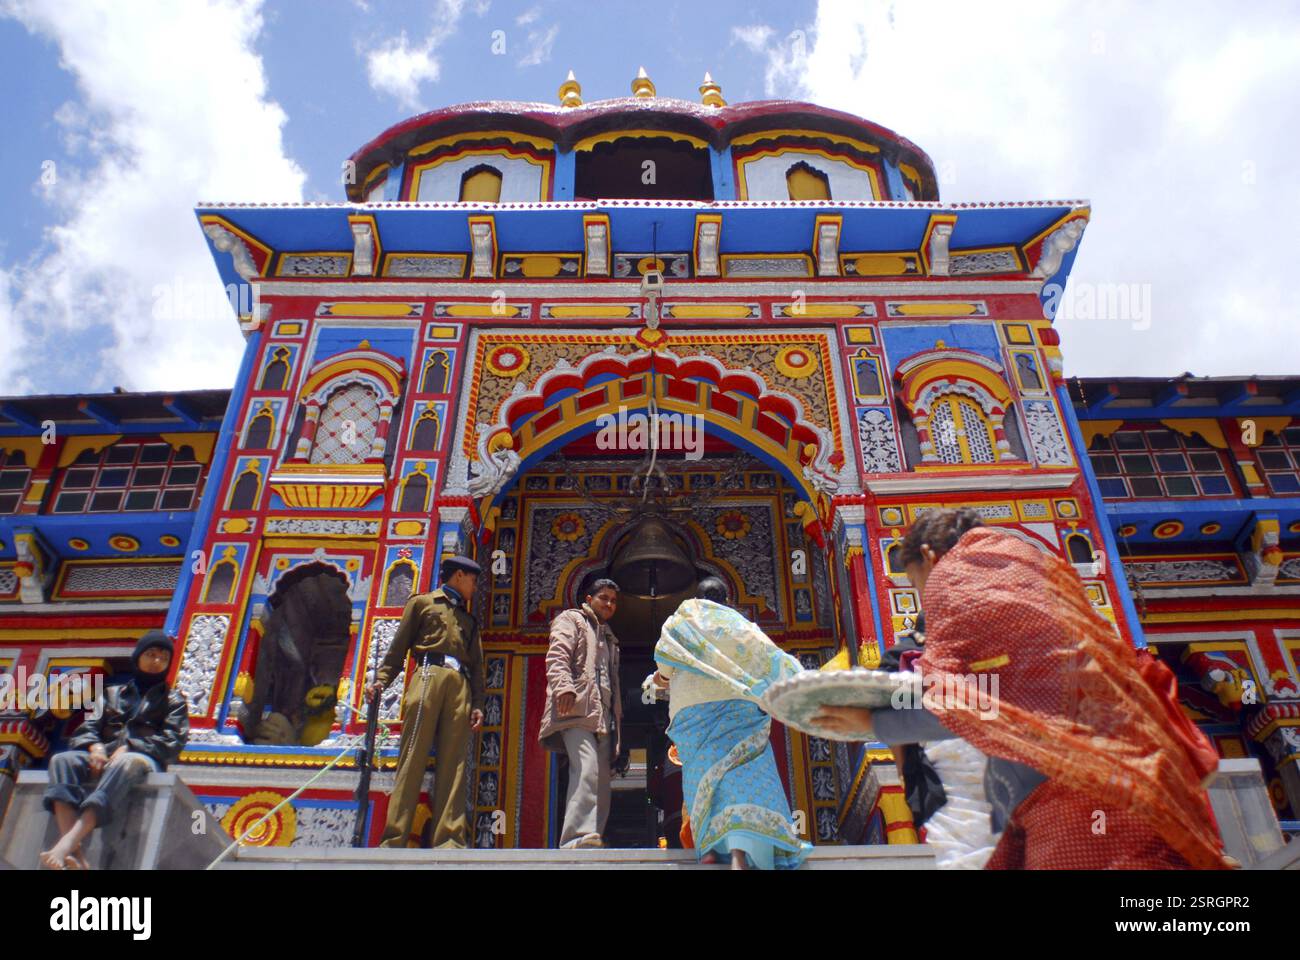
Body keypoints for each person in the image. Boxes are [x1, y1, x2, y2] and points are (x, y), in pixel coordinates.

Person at [813, 508, 1231, 869]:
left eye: (917, 582)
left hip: (1075, 796)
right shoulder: (1036, 573)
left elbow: (977, 701)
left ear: (928, 556)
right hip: (1143, 775)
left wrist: (871, 720)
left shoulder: (957, 584)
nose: (924, 597)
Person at [653, 577, 812, 870]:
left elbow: (663, 668)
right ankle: (746, 849)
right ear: (726, 600)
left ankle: (714, 849)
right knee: (745, 774)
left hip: (692, 715)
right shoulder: (741, 627)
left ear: (697, 597)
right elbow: (770, 660)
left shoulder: (679, 623)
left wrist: (659, 680)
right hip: (739, 710)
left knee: (705, 779)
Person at [40, 629, 189, 870]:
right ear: (138, 656)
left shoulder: (173, 701)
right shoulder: (111, 694)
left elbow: (173, 741)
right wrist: (96, 746)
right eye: (151, 654)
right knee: (62, 760)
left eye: (163, 658)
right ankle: (76, 854)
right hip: (102, 755)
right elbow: (87, 727)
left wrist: (131, 746)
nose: (156, 662)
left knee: (126, 761)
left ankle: (68, 841)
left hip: (144, 760)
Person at [369, 554, 485, 849]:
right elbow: (399, 647)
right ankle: (395, 837)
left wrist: (478, 703)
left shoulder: (468, 619)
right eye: (473, 579)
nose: (474, 587)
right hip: (427, 675)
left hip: (459, 683)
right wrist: (382, 680)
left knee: (455, 762)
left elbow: (477, 667)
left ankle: (449, 838)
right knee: (413, 756)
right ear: (458, 575)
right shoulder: (422, 603)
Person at [538, 578, 622, 849]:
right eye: (604, 598)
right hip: (575, 707)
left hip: (602, 714)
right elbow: (557, 655)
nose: (609, 604)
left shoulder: (609, 637)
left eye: (613, 600)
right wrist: (564, 686)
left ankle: (592, 836)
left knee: (601, 780)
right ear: (588, 599)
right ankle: (575, 837)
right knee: (585, 768)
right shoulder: (571, 620)